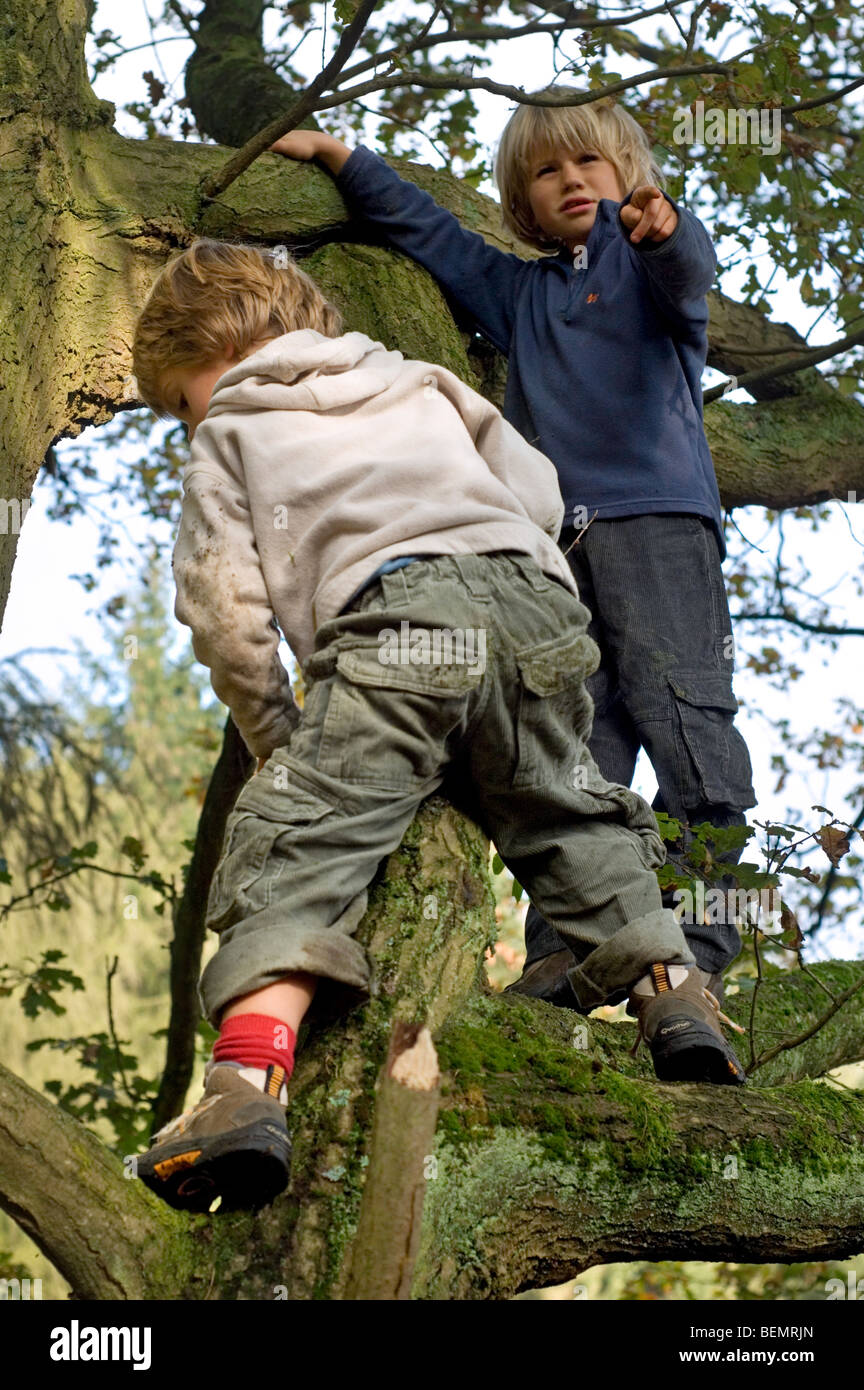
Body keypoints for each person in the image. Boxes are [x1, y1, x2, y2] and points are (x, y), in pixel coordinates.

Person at [131, 239, 746, 1213]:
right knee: (569, 813)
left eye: (176, 401)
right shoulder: (417, 381)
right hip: (536, 609)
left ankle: (243, 1089)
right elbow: (538, 488)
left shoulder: (233, 428)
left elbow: (222, 608)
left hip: (399, 622)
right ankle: (673, 991)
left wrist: (273, 733)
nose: (184, 421)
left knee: (300, 841)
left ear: (209, 360)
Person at [271, 88, 757, 1013]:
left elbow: (687, 271)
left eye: (592, 164)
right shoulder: (519, 295)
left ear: (631, 181)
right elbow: (430, 234)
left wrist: (663, 228)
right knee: (571, 742)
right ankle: (571, 949)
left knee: (687, 722)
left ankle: (702, 939)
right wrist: (340, 158)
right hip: (552, 551)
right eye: (547, 170)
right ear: (520, 201)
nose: (571, 180)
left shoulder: (651, 271)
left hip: (658, 526)